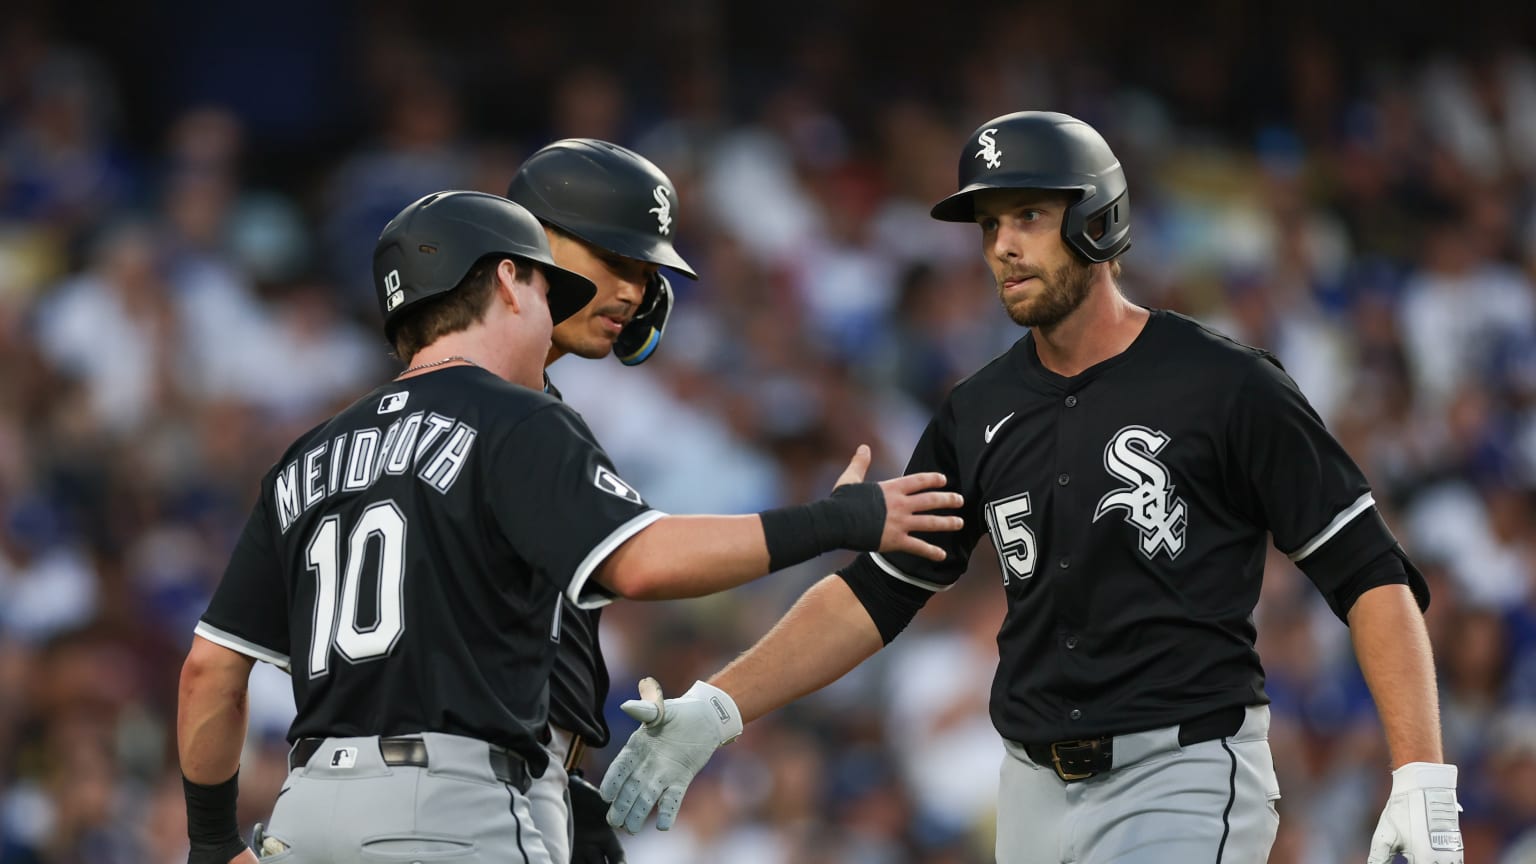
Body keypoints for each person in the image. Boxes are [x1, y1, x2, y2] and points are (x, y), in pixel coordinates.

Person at [598, 111, 1466, 864]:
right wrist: (721, 704)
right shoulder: (978, 409)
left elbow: (1369, 573)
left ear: (1096, 222)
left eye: (1027, 216)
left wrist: (1419, 766)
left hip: (1183, 770)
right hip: (1030, 786)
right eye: (986, 225)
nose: (1001, 246)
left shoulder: (1225, 384)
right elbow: (880, 593)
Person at [175, 189, 963, 864]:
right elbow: (643, 564)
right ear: (508, 280)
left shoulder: (309, 453)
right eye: (548, 288)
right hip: (454, 813)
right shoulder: (517, 419)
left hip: (304, 816)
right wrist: (832, 520)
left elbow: (209, 671)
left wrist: (210, 848)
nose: (556, 310)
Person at [504, 138, 700, 864]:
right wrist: (832, 523)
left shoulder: (534, 411)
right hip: (472, 795)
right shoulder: (501, 420)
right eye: (617, 263)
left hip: (534, 783)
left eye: (646, 275)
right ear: (525, 248)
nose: (633, 295)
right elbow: (643, 563)